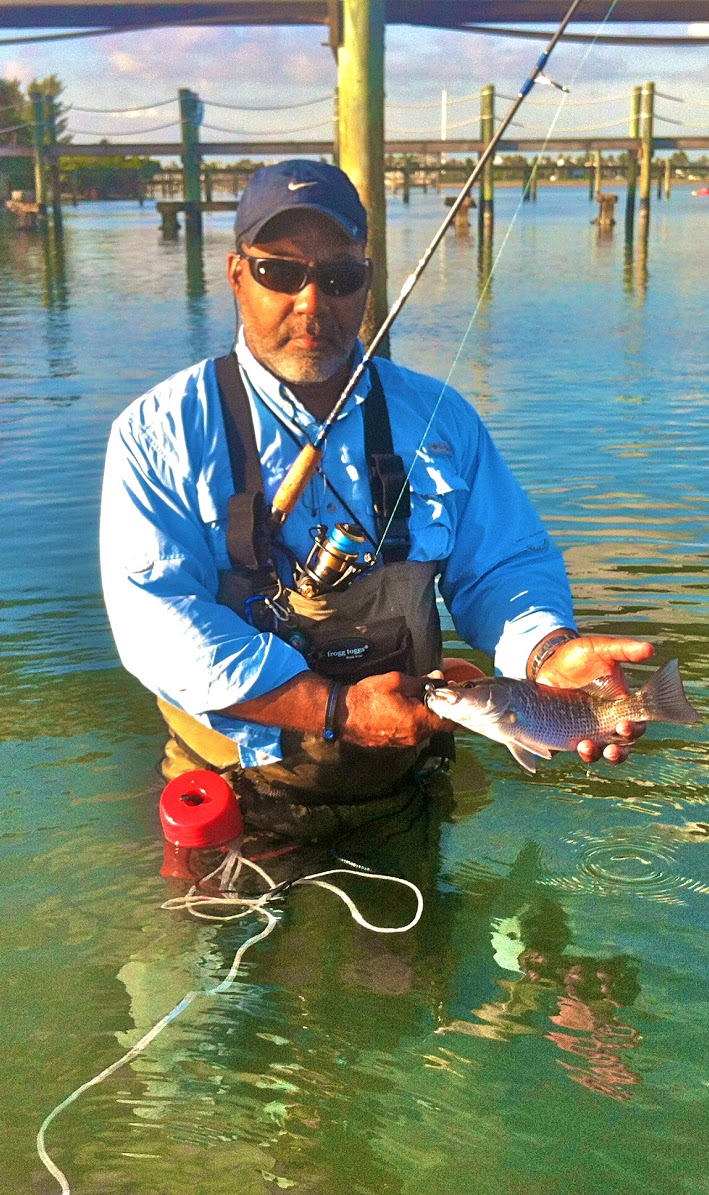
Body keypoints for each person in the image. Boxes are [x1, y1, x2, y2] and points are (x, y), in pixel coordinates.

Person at [101, 159, 651, 848]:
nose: (310, 303)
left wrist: (546, 652)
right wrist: (336, 708)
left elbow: (502, 567)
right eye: (280, 273)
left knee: (415, 959)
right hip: (234, 793)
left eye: (339, 277)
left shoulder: (441, 418)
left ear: (368, 281)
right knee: (218, 959)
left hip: (404, 783)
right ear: (236, 273)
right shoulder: (157, 434)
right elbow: (158, 627)